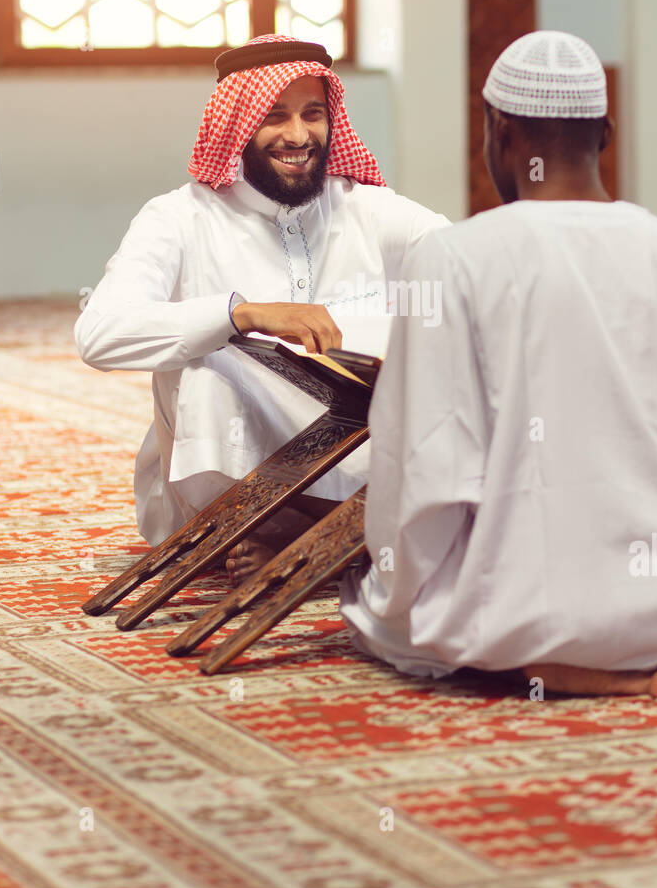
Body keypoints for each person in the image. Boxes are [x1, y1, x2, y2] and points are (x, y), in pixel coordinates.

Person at [341, 31, 657, 700]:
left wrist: (391, 589)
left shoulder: (453, 258)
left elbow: (423, 463)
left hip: (520, 614)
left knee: (377, 619)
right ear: (606, 134)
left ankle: (556, 667)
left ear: (499, 131)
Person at [75, 34, 448, 576]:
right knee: (217, 353)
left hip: (366, 453)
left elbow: (467, 263)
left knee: (434, 315)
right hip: (231, 477)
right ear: (239, 122)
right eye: (275, 116)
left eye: (312, 114)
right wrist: (239, 314)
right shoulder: (180, 219)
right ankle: (310, 526)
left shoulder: (363, 207)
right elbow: (98, 334)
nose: (298, 136)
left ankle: (330, 527)